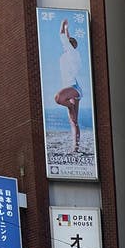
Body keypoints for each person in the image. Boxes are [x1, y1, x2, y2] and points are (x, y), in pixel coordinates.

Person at [55, 18, 83, 154]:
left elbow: (63, 37)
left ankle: (69, 106)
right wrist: (67, 30)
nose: (63, 45)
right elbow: (66, 39)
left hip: (73, 87)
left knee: (58, 98)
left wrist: (63, 25)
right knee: (73, 121)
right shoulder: (70, 54)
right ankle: (75, 148)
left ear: (70, 45)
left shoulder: (72, 53)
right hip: (71, 89)